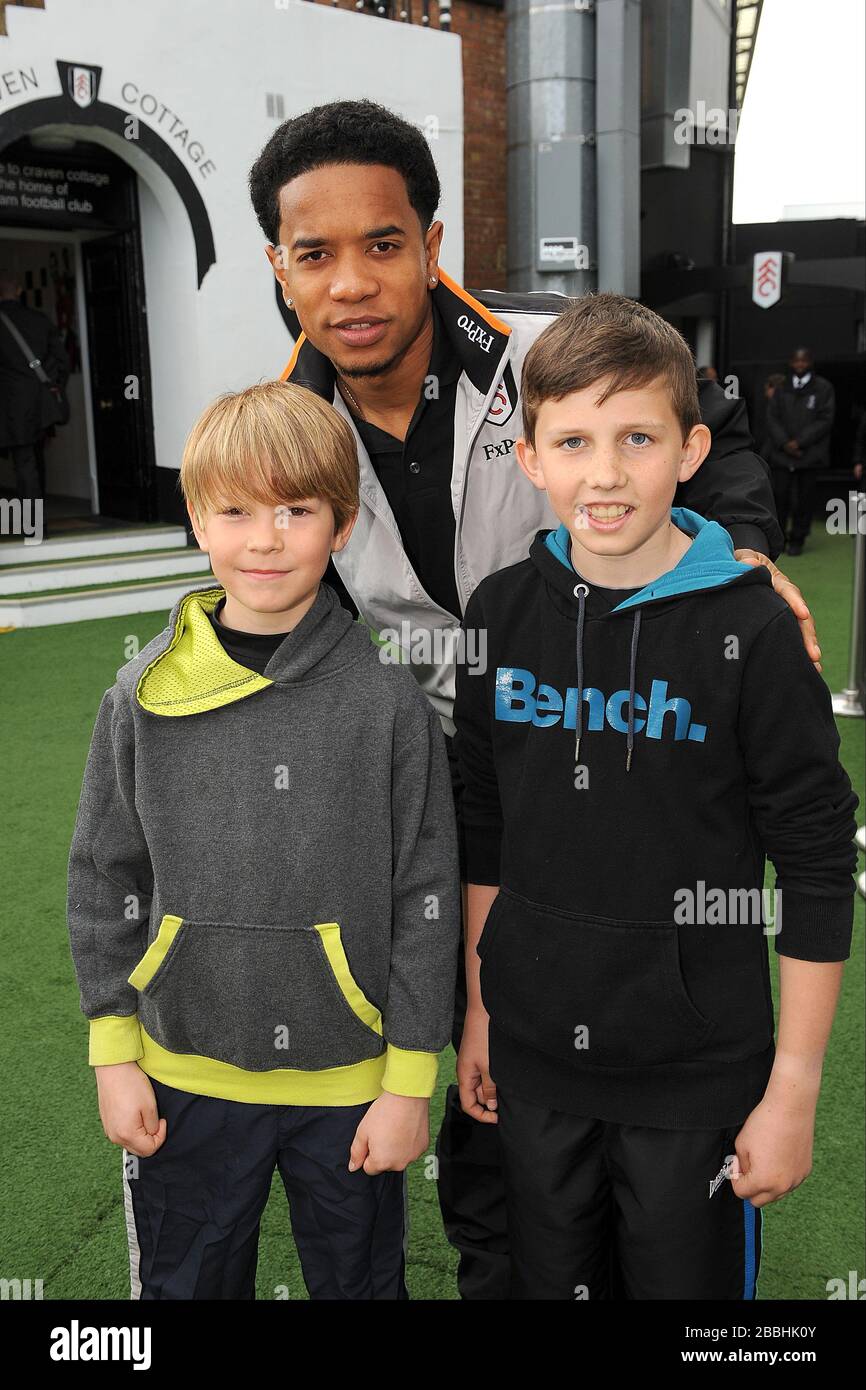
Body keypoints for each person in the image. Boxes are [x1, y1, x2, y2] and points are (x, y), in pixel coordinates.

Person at [250, 97, 823, 1299]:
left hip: (613, 772)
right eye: (315, 254)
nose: (351, 282)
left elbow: (705, 445)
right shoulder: (284, 431)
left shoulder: (547, 353)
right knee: (497, 1149)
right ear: (280, 268)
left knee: (656, 1212)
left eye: (382, 243)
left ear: (430, 241)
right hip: (449, 797)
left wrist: (745, 556)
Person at [453, 292, 859, 1299]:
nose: (602, 472)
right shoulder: (499, 614)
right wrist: (477, 1011)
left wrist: (791, 1090)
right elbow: (482, 828)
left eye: (634, 437)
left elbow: (813, 862)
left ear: (686, 451)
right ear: (531, 459)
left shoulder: (753, 632)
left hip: (694, 1080)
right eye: (574, 439)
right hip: (535, 1060)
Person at [66, 380, 460, 1300]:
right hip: (182, 1078)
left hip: (351, 1084)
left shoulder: (389, 704)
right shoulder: (139, 696)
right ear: (198, 521)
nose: (266, 537)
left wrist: (408, 1081)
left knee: (362, 1288)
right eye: (235, 510)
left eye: (296, 509)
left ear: (344, 523)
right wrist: (114, 1053)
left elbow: (425, 896)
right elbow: (102, 877)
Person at [0, 268, 69, 521]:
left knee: (25, 462)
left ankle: (34, 526)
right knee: (37, 457)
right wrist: (53, 387)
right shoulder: (40, 320)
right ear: (19, 291)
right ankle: (37, 521)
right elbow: (63, 360)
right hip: (42, 403)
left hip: (12, 407)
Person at [765, 347, 835, 555]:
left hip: (809, 455)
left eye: (803, 361)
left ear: (810, 363)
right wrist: (785, 443)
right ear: (791, 363)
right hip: (782, 454)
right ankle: (780, 539)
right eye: (796, 361)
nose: (800, 365)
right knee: (780, 498)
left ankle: (798, 539)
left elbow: (825, 420)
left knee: (805, 499)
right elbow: (772, 418)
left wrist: (800, 442)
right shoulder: (781, 388)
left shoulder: (823, 388)